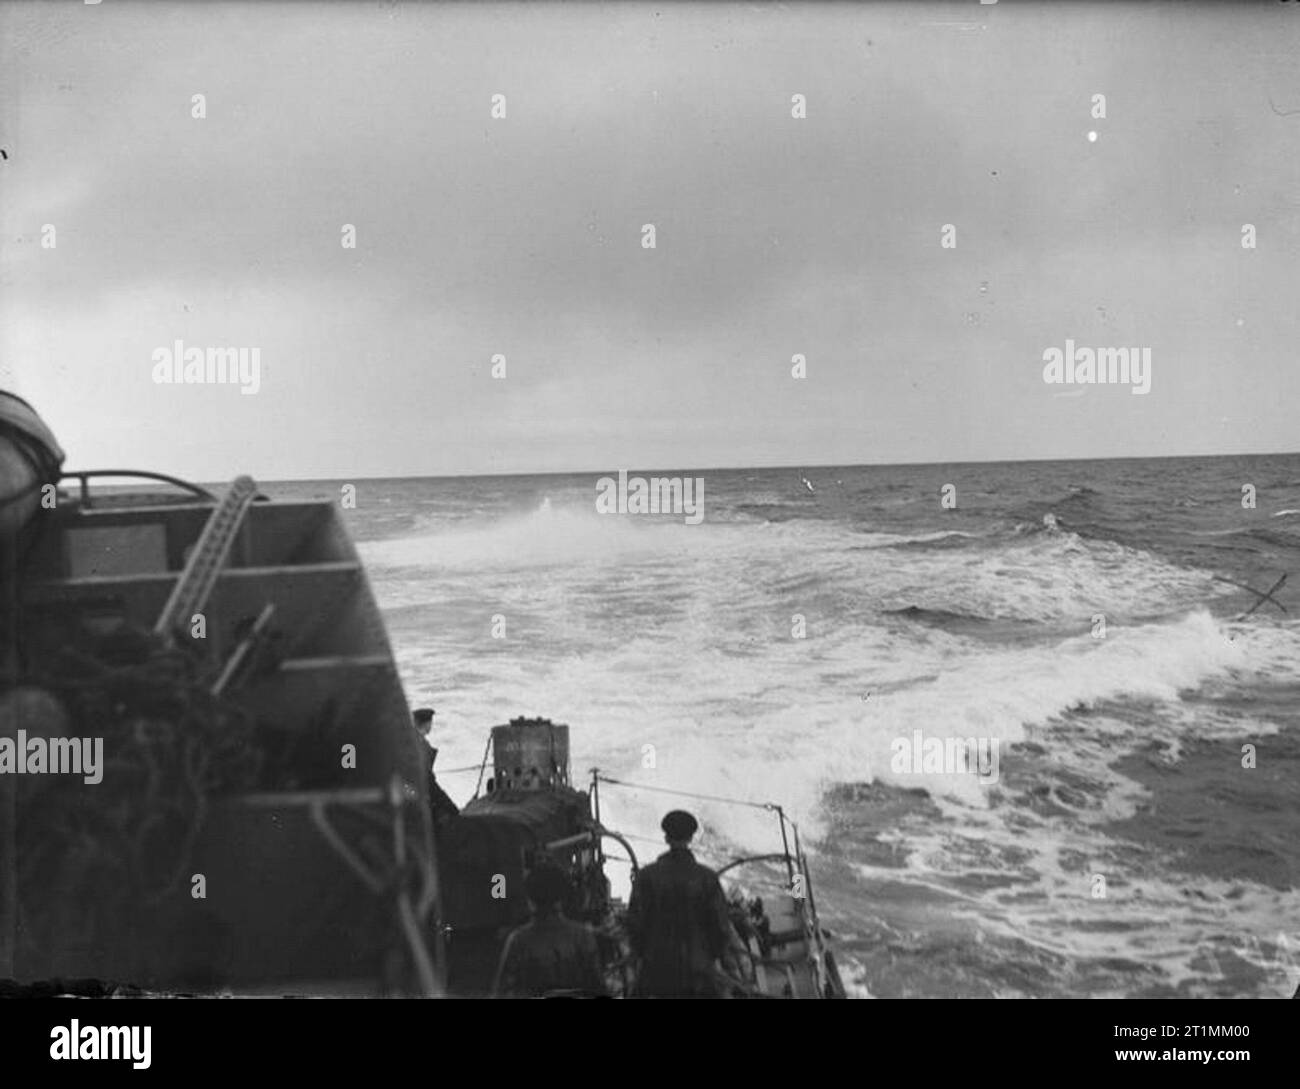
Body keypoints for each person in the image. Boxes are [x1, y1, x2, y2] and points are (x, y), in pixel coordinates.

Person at [625, 809, 743, 997]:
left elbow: (634, 926)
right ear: (691, 838)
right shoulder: (707, 878)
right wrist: (707, 958)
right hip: (699, 977)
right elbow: (721, 931)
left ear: (666, 838)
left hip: (656, 975)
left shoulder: (646, 877)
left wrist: (646, 955)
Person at [491, 863, 606, 998]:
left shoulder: (519, 940)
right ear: (562, 896)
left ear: (530, 898)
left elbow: (502, 992)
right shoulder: (583, 937)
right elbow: (598, 988)